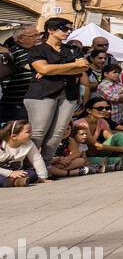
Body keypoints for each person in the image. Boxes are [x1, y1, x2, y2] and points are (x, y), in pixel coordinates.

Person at [23, 17, 88, 164]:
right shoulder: (37, 50)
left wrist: (52, 70)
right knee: (38, 132)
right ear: (50, 30)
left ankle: (45, 165)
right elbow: (43, 68)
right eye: (64, 29)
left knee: (58, 133)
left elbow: (83, 68)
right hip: (42, 94)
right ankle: (28, 165)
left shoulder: (73, 49)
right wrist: (72, 66)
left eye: (70, 29)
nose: (68, 32)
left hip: (68, 94)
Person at [1, 24, 41, 122]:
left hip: (28, 102)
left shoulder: (35, 51)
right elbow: (35, 67)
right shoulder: (16, 51)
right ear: (21, 38)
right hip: (14, 105)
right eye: (34, 35)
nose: (39, 37)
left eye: (38, 34)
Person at [0, 120, 49, 185]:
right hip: (2, 171)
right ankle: (15, 182)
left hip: (17, 171)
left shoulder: (29, 144)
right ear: (14, 136)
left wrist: (43, 177)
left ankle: (16, 181)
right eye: (28, 132)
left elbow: (37, 159)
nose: (31, 134)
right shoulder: (1, 145)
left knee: (34, 173)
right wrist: (10, 173)